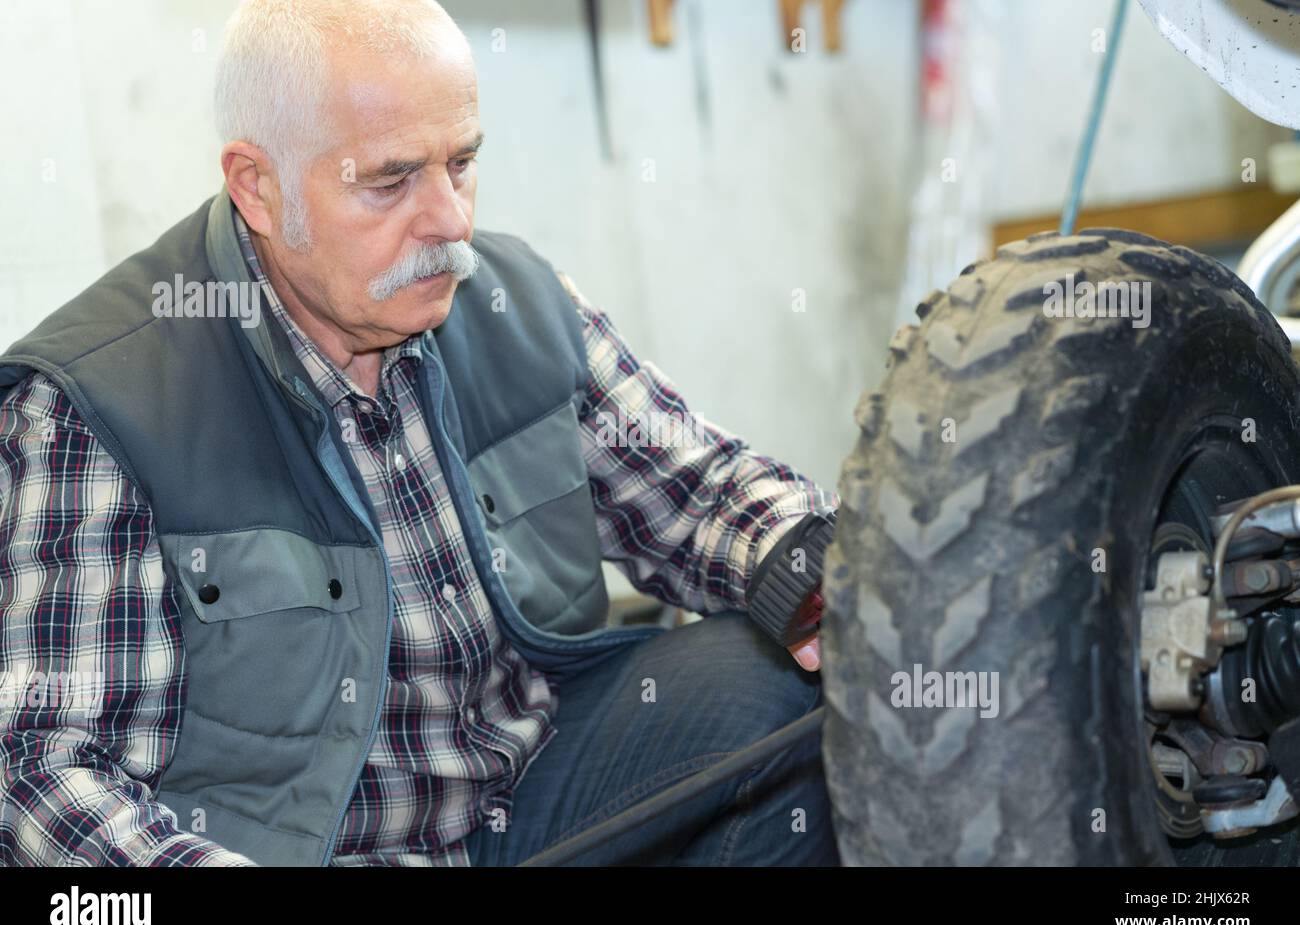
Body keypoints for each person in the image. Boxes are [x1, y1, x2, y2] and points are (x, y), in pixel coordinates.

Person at [0, 0, 839, 867]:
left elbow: (698, 490)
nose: (451, 223)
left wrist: (825, 579)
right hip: (315, 853)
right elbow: (40, 771)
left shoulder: (511, 303)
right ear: (258, 186)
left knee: (781, 676)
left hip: (534, 799)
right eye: (391, 180)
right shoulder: (99, 406)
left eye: (463, 163)